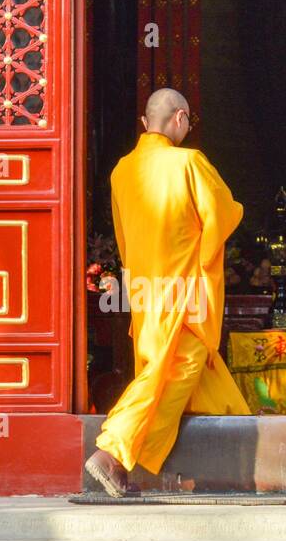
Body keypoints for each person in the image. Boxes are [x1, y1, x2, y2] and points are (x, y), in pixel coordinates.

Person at [84, 88, 251, 498]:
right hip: (183, 293)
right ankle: (113, 451)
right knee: (166, 373)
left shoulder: (122, 171)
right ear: (180, 119)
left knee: (194, 374)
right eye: (188, 121)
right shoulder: (190, 162)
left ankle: (218, 467)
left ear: (146, 123)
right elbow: (222, 214)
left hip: (145, 289)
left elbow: (123, 237)